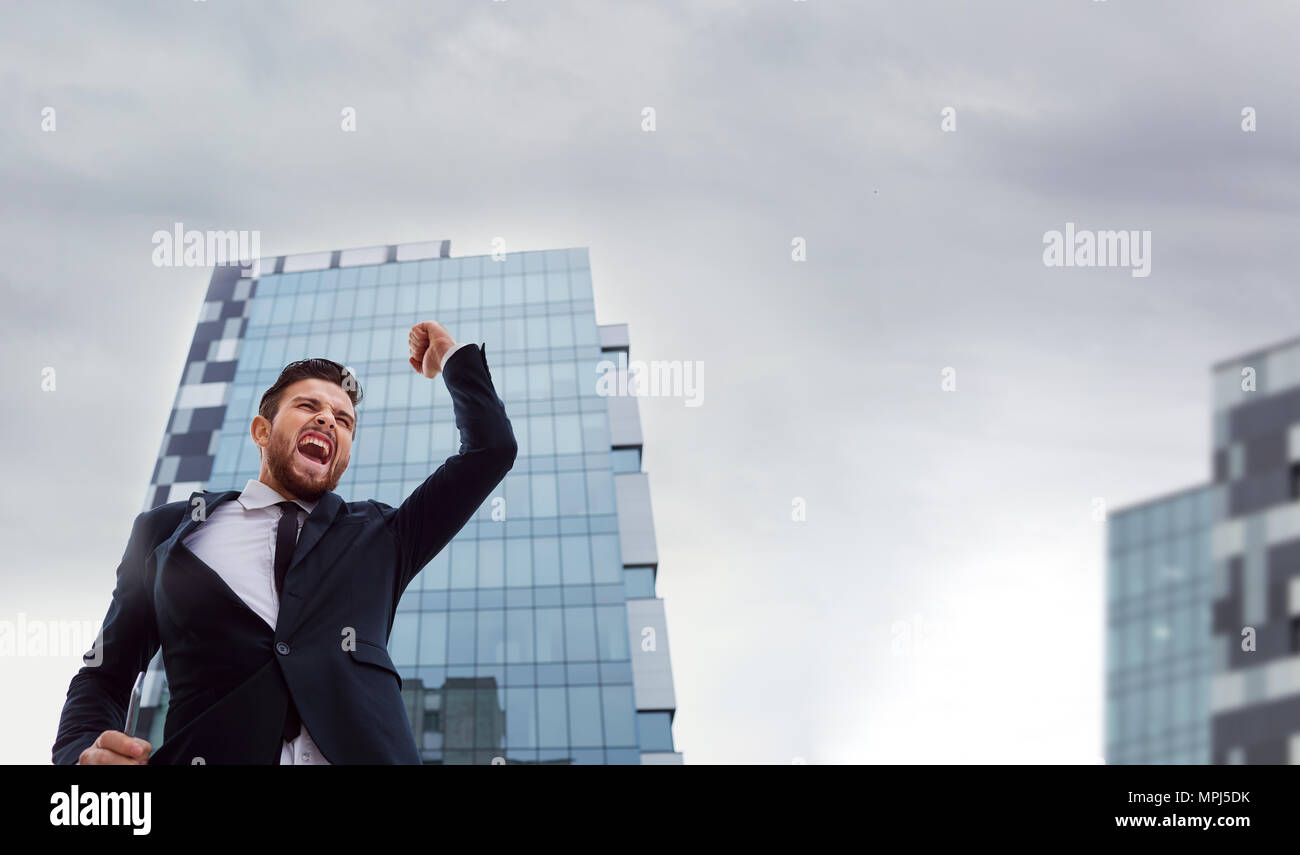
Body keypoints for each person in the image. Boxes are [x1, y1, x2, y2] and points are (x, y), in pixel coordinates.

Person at [52, 320, 516, 764]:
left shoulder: (384, 535)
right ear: (261, 431)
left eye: (344, 420)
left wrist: (451, 357)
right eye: (308, 407)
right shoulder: (165, 531)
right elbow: (103, 675)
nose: (328, 421)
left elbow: (490, 450)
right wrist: (80, 757)